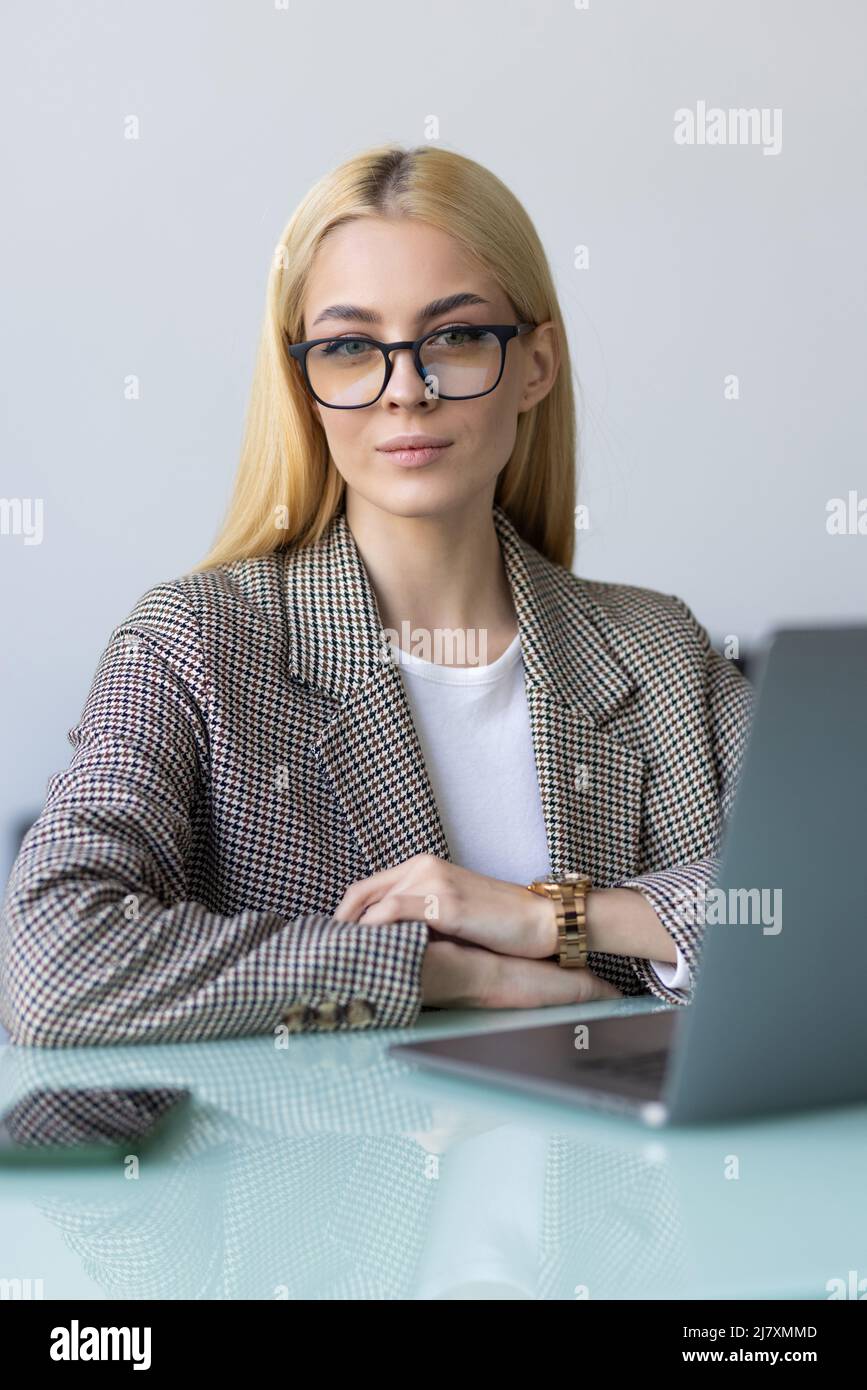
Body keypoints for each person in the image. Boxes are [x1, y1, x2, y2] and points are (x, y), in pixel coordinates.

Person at [0, 144, 754, 1047]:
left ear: (535, 365)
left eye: (457, 336)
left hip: (621, 1183)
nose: (407, 392)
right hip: (325, 1184)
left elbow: (824, 903)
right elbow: (50, 966)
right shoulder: (193, 645)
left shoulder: (660, 651)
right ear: (304, 382)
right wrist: (434, 975)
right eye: (352, 348)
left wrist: (554, 915)